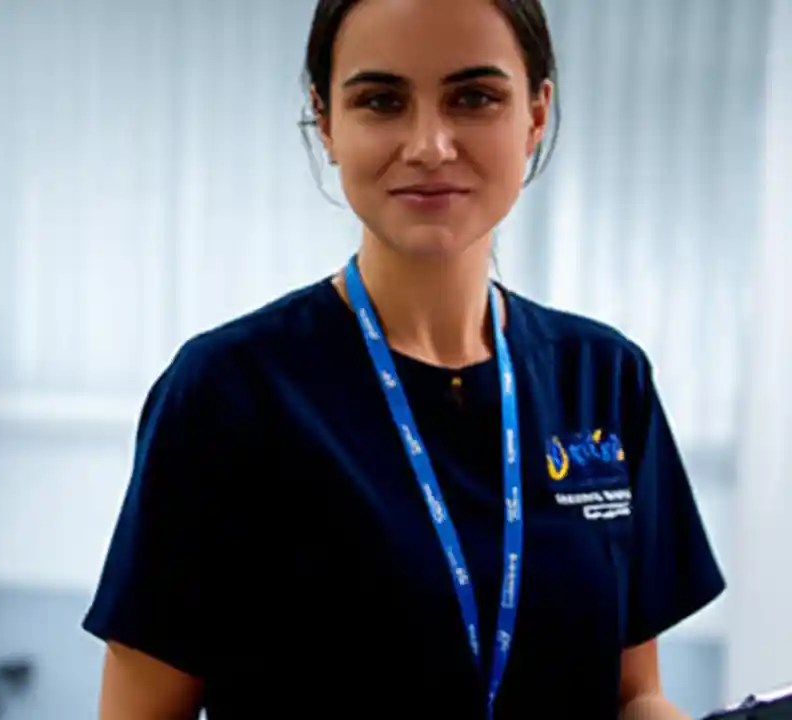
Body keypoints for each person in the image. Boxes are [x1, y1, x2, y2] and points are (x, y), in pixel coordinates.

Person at [82, 1, 724, 718]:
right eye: (382, 101)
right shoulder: (228, 394)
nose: (429, 144)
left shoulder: (603, 380)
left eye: (474, 97)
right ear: (326, 121)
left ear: (536, 115)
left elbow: (634, 693)